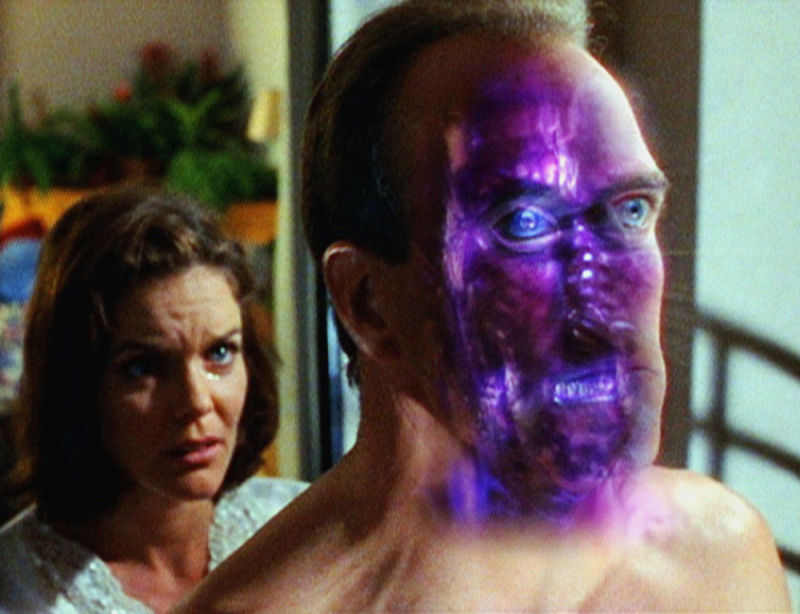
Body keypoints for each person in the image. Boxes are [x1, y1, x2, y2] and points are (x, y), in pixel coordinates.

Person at [176, 1, 792, 611]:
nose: (605, 304)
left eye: (631, 211)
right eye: (525, 225)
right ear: (368, 302)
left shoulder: (716, 554)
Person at [0, 187, 306, 613]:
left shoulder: (305, 530)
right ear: (76, 383)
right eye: (143, 367)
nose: (196, 402)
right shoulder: (17, 589)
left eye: (220, 352)